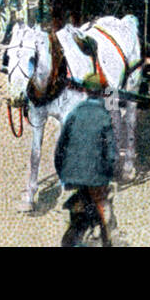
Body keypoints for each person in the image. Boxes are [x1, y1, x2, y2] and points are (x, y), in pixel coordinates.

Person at [54, 90, 119, 247]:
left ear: (86, 91)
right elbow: (111, 153)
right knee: (104, 205)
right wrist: (109, 173)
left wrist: (61, 173)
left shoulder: (74, 112)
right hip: (95, 176)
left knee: (71, 201)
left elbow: (60, 146)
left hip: (70, 174)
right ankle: (107, 239)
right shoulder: (104, 116)